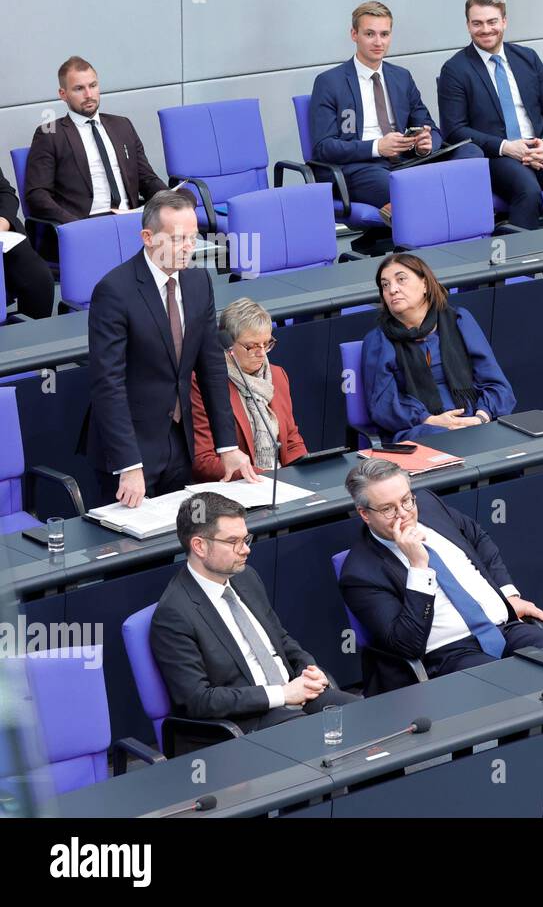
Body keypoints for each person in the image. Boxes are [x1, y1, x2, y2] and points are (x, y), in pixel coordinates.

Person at [86, 190, 256, 506]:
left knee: (180, 536)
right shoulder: (114, 292)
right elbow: (108, 384)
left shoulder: (198, 282)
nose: (188, 248)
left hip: (179, 439)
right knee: (130, 548)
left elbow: (211, 369)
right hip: (130, 449)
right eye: (178, 239)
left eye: (193, 237)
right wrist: (129, 463)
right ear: (148, 237)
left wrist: (227, 446)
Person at [150, 493, 358, 744]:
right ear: (199, 546)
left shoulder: (246, 577)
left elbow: (280, 639)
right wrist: (281, 694)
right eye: (234, 542)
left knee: (368, 718)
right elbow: (199, 700)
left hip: (295, 695)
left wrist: (308, 669)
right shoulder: (174, 614)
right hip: (248, 721)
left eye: (246, 538)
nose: (246, 549)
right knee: (316, 743)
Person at [337, 459, 543, 690]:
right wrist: (418, 567)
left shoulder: (430, 506)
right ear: (365, 514)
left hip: (502, 627)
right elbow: (406, 644)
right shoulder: (359, 574)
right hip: (449, 652)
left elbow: (477, 537)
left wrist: (508, 595)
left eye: (407, 500)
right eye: (388, 509)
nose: (404, 514)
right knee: (496, 685)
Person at [308, 1, 482, 225]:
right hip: (361, 167)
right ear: (354, 34)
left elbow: (430, 127)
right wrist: (377, 147)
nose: (378, 42)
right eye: (370, 34)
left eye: (384, 34)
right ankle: (423, 218)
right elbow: (324, 147)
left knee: (471, 153)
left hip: (407, 162)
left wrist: (425, 144)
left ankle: (400, 208)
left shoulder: (401, 77)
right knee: (397, 184)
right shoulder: (329, 82)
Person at [438, 0, 543, 229]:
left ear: (504, 22)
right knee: (528, 192)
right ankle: (520, 264)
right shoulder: (455, 70)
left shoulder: (528, 58)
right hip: (495, 156)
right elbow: (454, 130)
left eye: (492, 22)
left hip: (538, 149)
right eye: (477, 23)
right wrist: (506, 147)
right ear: (468, 26)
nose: (485, 29)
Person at [362, 252, 515, 443]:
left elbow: (497, 385)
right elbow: (382, 405)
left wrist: (480, 418)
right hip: (418, 429)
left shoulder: (458, 321)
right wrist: (430, 420)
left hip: (474, 420)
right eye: (385, 285)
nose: (392, 289)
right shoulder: (379, 341)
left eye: (401, 279)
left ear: (425, 284)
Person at [24, 56, 169, 226]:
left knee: (175, 238)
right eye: (79, 89)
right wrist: (73, 225)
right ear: (63, 94)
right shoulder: (50, 134)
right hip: (85, 222)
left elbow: (147, 179)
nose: (89, 94)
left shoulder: (122, 125)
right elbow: (37, 194)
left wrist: (174, 201)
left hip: (130, 218)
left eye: (93, 86)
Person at [190, 298, 308, 482]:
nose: (261, 353)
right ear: (226, 344)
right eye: (251, 346)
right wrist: (261, 477)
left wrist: (304, 467)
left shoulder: (277, 375)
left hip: (279, 482)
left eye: (267, 344)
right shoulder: (202, 383)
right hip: (241, 485)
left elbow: (291, 440)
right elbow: (203, 460)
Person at [0, 168, 54, 318]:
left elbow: (5, 191)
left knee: (38, 279)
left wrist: (3, 221)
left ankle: (34, 338)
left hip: (3, 235)